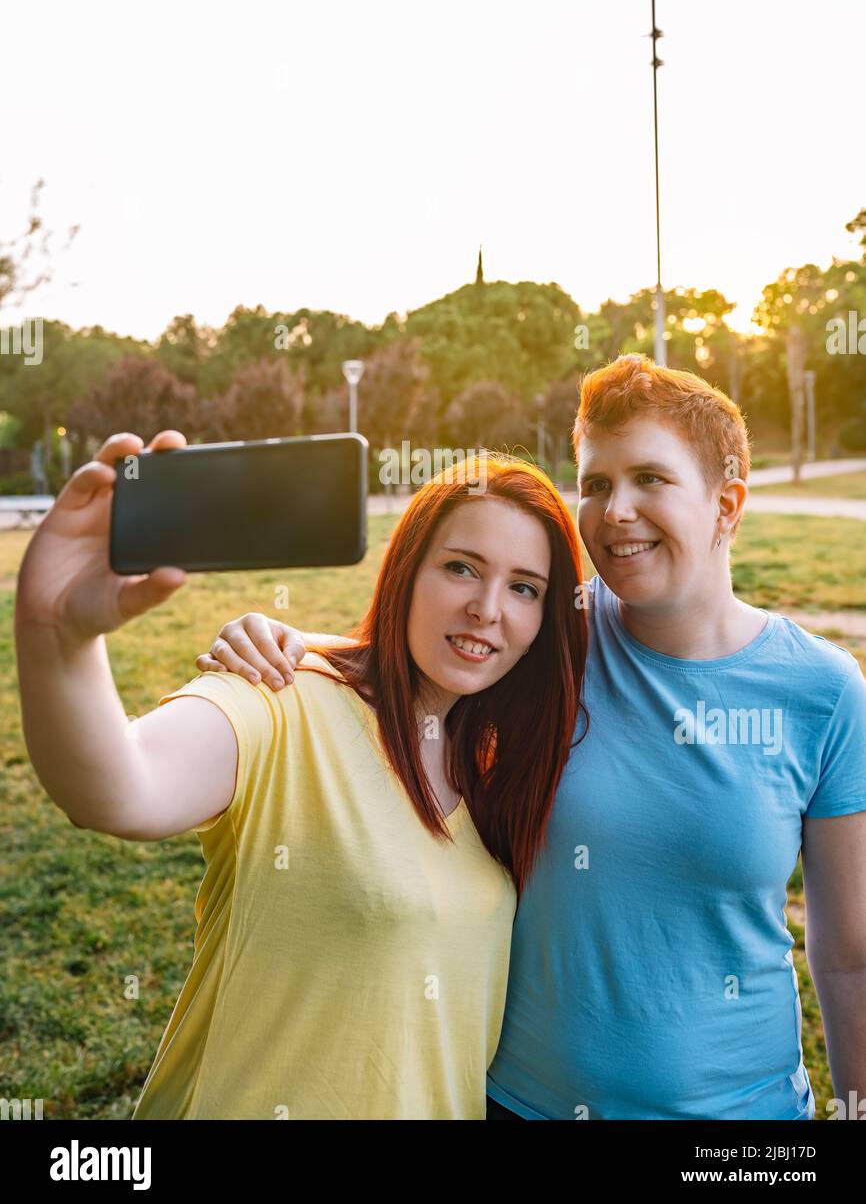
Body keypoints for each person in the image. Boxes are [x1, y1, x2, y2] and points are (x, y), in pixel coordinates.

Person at [201, 355, 866, 1120]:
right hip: (522, 1104)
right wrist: (284, 641)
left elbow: (849, 961)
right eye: (596, 483)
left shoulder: (824, 691)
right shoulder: (555, 636)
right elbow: (429, 648)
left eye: (650, 478)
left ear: (727, 504)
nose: (616, 509)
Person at [14, 434, 588, 1120]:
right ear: (407, 568)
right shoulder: (283, 693)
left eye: (524, 587)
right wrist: (58, 633)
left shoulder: (499, 768)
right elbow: (118, 790)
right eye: (462, 568)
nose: (488, 608)